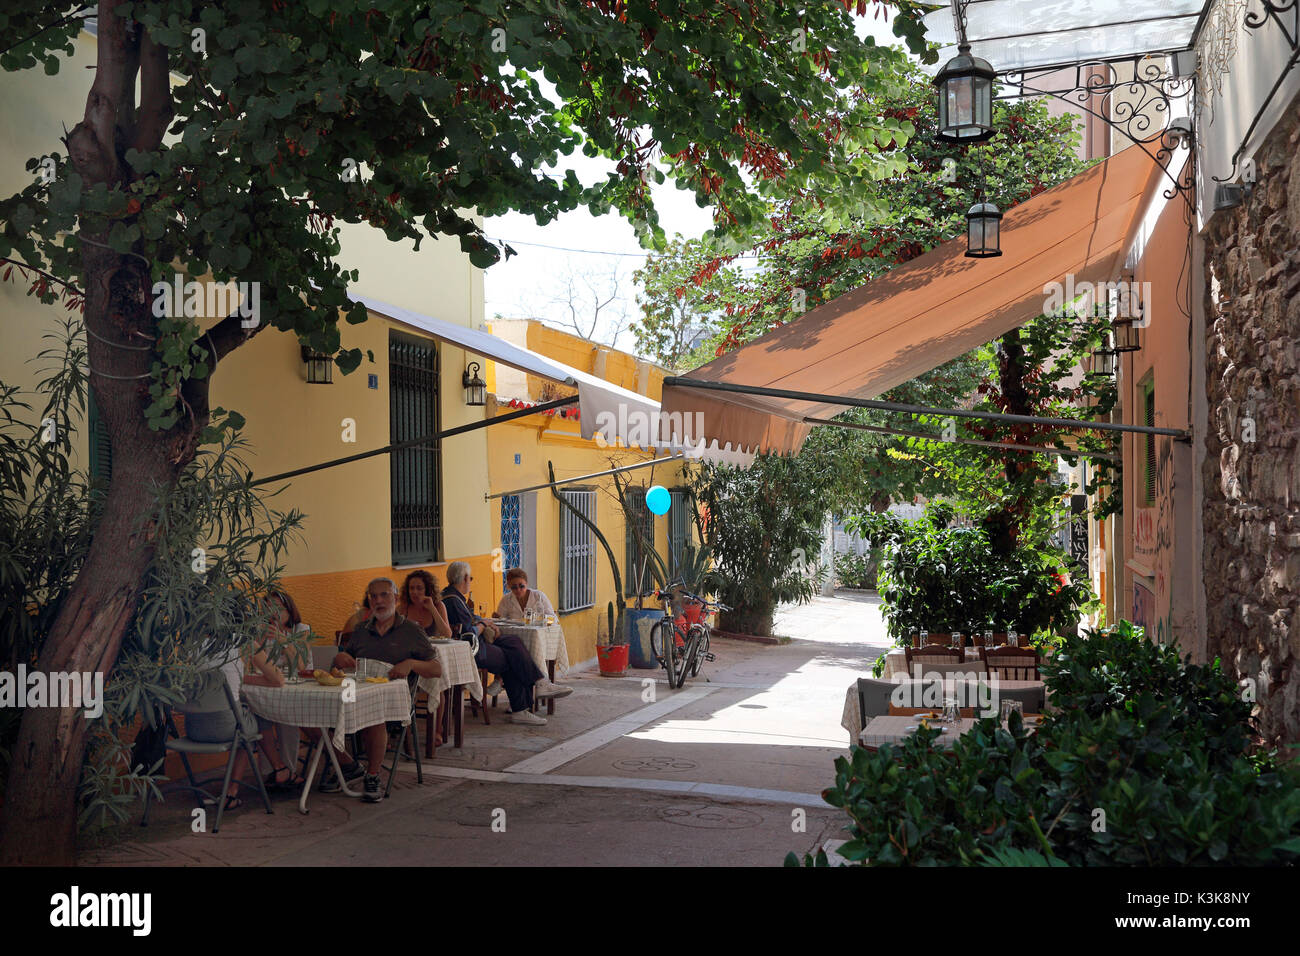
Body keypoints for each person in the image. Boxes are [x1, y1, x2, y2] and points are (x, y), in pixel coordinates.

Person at [333, 577, 443, 802]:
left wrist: (411, 663)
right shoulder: (361, 630)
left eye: (384, 595)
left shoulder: (411, 630)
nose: (378, 600)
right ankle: (346, 763)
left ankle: (372, 776)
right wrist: (341, 658)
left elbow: (436, 669)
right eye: (373, 596)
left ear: (394, 597)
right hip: (358, 690)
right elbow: (343, 660)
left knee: (375, 712)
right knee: (317, 712)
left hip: (394, 698)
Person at [185, 627, 304, 813]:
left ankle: (279, 770)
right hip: (227, 729)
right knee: (252, 717)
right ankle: (241, 787)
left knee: (244, 716)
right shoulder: (240, 641)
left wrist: (240, 679)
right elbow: (278, 680)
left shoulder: (191, 643)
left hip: (193, 728)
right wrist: (242, 678)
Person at [441, 561, 571, 726]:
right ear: (465, 578)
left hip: (471, 645)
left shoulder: (450, 596)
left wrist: (484, 621)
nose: (517, 590)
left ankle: (535, 686)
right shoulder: (454, 601)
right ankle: (523, 705)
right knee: (513, 656)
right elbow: (468, 634)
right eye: (471, 578)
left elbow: (471, 619)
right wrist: (483, 625)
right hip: (472, 650)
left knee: (514, 642)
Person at [400, 569, 453, 638]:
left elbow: (448, 635)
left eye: (419, 588)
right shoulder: (403, 608)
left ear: (427, 590)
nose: (415, 592)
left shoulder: (438, 606)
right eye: (411, 588)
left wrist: (432, 609)